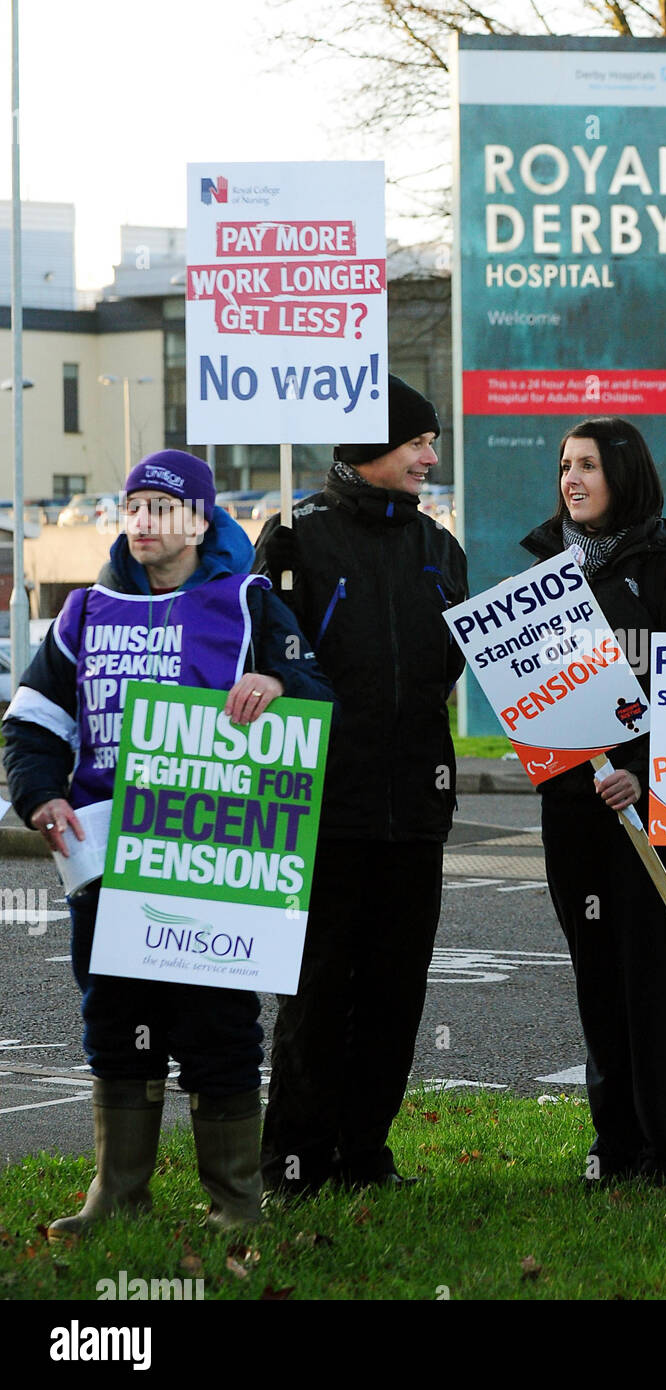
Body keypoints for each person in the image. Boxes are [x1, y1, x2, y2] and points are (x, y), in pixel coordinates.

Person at [2, 450, 334, 1235]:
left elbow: (318, 692)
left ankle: (236, 1203)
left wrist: (278, 686)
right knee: (115, 1020)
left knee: (216, 1023)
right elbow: (33, 721)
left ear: (200, 517)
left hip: (212, 855)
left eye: (162, 506)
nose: (144, 521)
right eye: (135, 506)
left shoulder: (246, 601)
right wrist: (40, 793)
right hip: (106, 859)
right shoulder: (85, 611)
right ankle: (117, 1194)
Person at [255, 375, 467, 1196]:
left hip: (415, 808)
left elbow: (467, 660)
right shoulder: (295, 539)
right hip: (322, 811)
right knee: (315, 993)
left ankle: (364, 1155)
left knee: (394, 992)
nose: (429, 455)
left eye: (431, 441)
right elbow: (262, 660)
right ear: (369, 446)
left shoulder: (438, 549)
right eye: (416, 440)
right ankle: (294, 1161)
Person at [520, 417, 666, 1184]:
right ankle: (616, 1147)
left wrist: (644, 768)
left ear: (624, 476)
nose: (571, 480)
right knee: (594, 975)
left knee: (649, 981)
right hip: (568, 809)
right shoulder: (543, 577)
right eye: (564, 465)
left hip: (647, 811)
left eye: (588, 466)